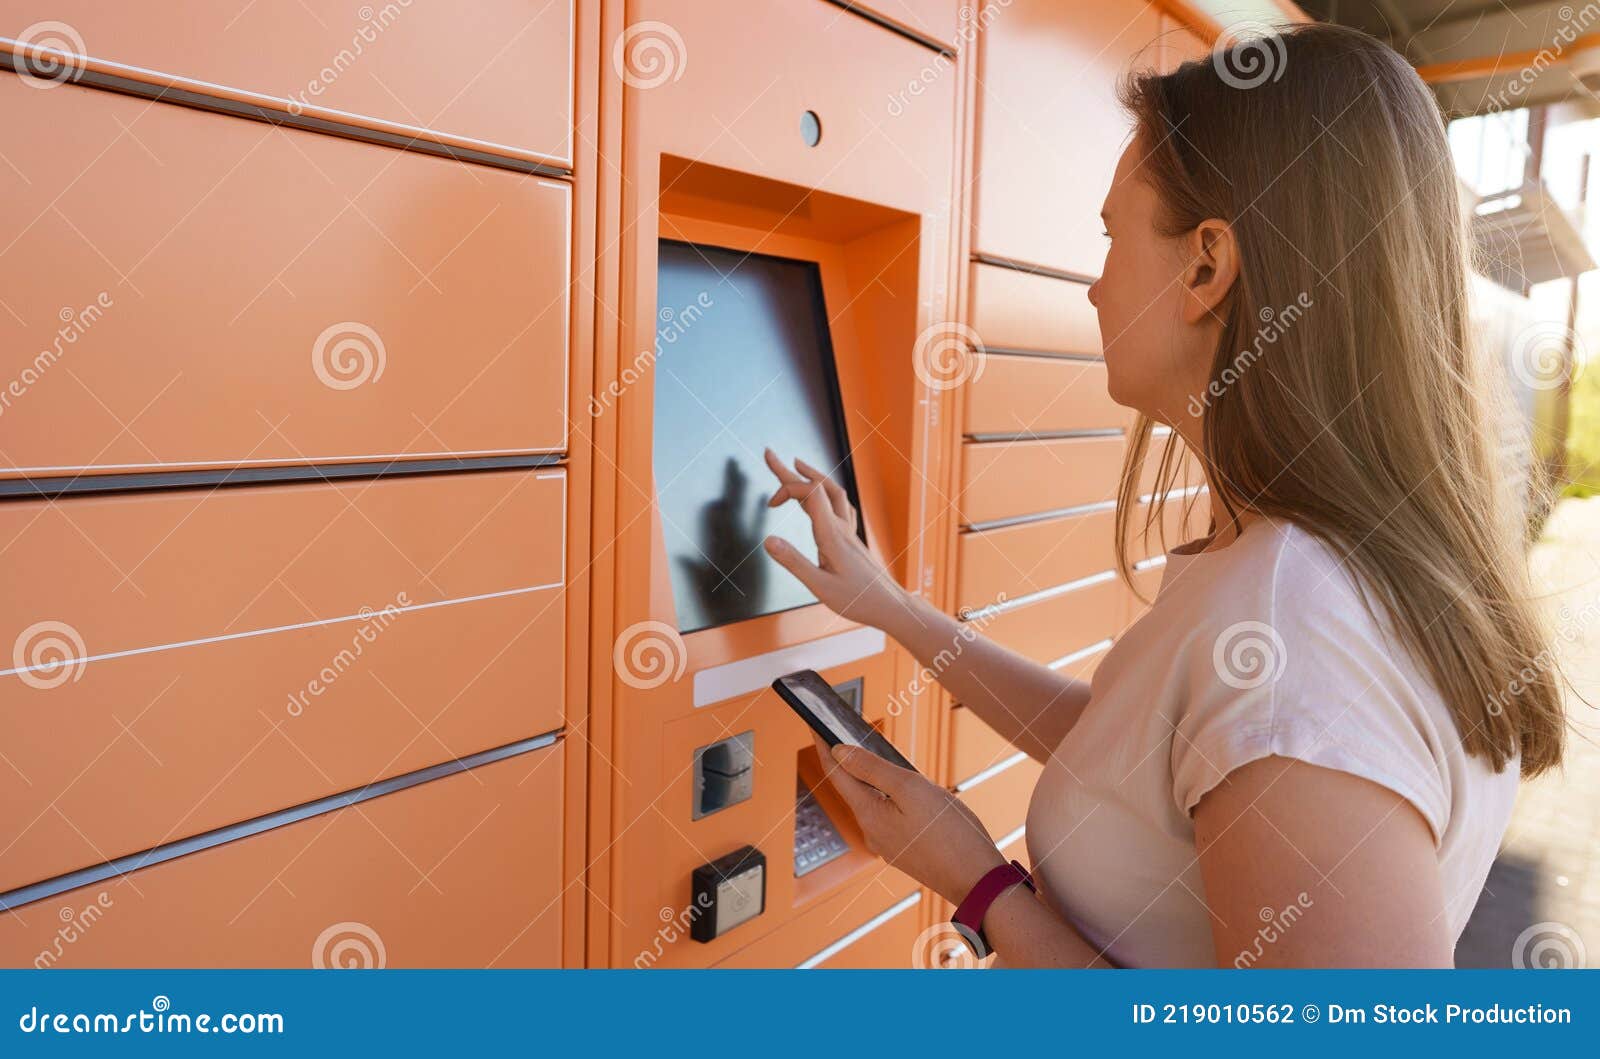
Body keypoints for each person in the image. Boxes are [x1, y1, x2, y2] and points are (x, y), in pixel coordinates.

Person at [758, 22, 1566, 968]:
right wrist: (890, 608)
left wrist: (978, 884)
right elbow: (1137, 757)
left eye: (1110, 236)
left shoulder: (1297, 633)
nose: (1095, 288)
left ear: (1206, 267)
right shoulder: (1304, 570)